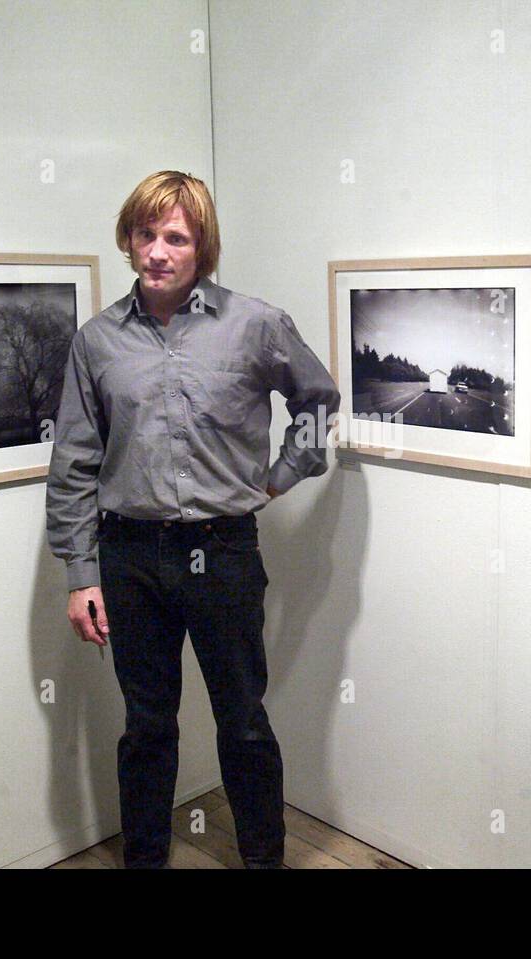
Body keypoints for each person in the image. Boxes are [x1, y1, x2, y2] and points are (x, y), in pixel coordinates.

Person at [45, 170, 340, 869]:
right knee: (147, 727)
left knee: (242, 722)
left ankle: (263, 859)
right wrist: (80, 574)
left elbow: (318, 402)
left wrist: (279, 476)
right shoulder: (97, 343)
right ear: (128, 239)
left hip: (224, 550)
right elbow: (73, 462)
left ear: (200, 245)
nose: (157, 251)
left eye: (175, 236)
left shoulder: (255, 325)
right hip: (131, 557)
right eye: (145, 234)